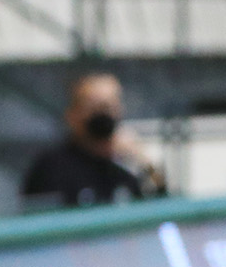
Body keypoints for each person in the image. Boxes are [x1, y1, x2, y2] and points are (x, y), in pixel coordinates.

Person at [20, 71, 163, 209]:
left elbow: (162, 208)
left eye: (109, 106)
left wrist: (146, 162)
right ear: (72, 115)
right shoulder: (52, 169)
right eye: (94, 106)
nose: (103, 115)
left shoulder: (123, 171)